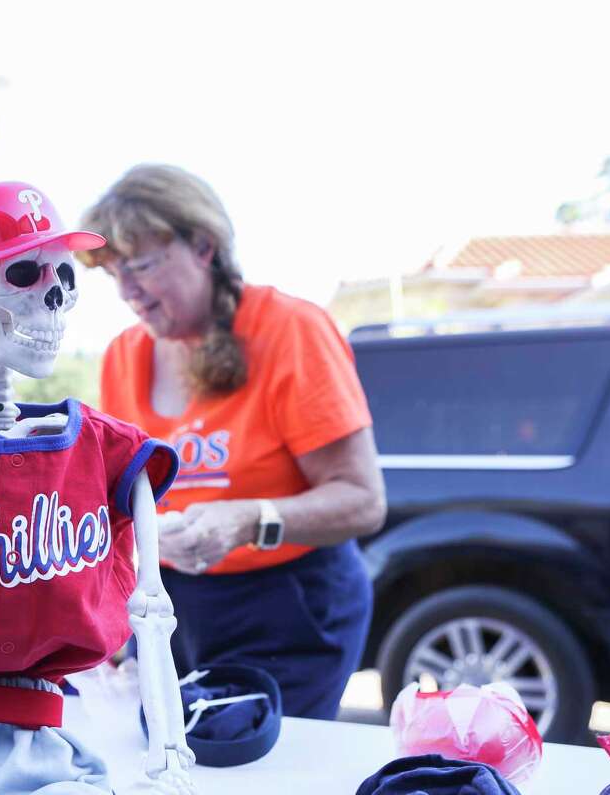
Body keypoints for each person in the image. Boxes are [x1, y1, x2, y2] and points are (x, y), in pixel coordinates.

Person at [76, 163, 387, 720]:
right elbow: (118, 505)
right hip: (174, 606)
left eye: (143, 265)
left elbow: (363, 501)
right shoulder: (124, 356)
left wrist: (247, 520)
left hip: (291, 608)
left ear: (204, 246)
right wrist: (112, 628)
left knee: (253, 766)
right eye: (114, 273)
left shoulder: (290, 329)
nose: (128, 292)